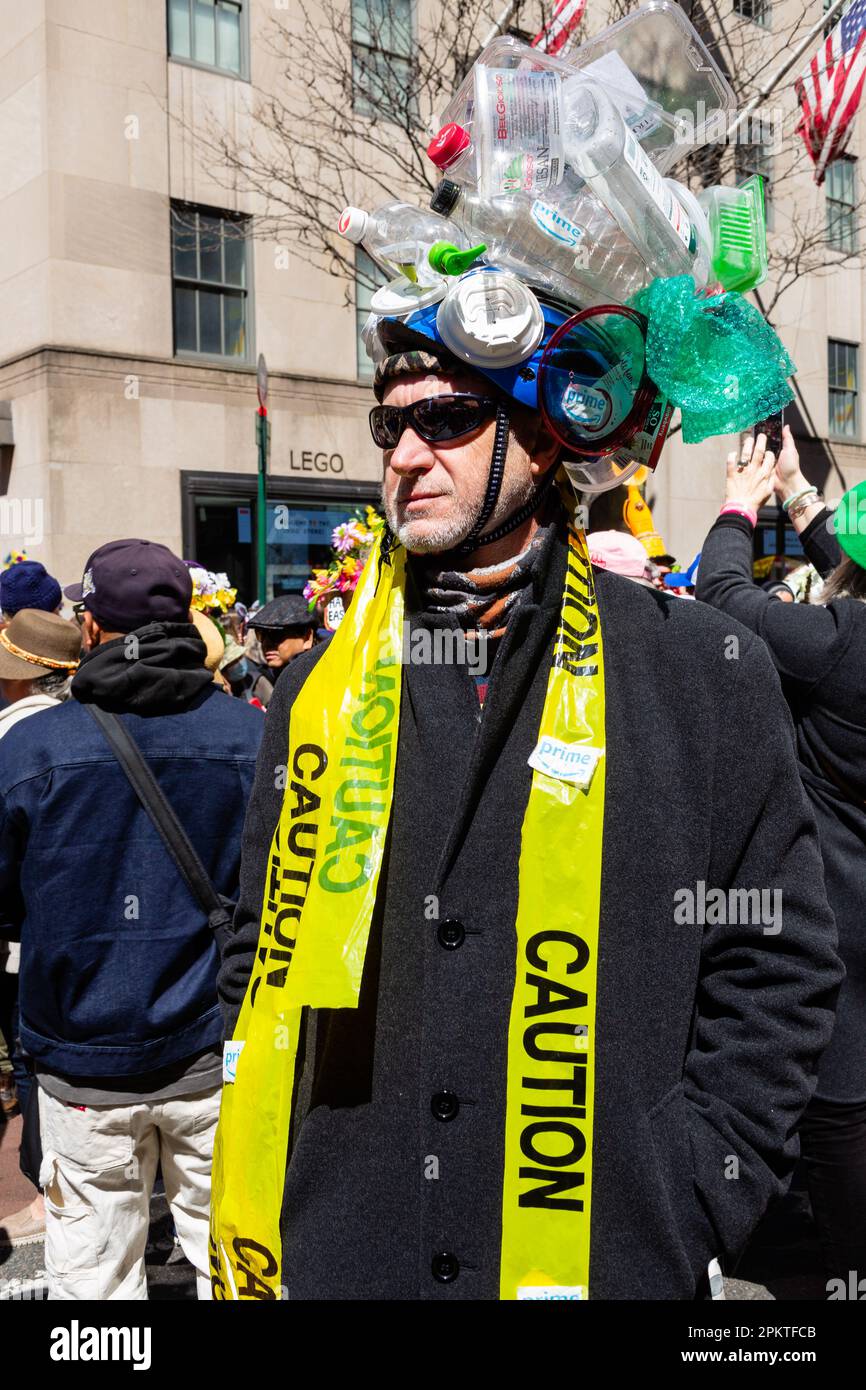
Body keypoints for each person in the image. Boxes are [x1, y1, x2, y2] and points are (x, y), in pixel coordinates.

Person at [212, 299, 843, 1302]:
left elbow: (775, 964)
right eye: (390, 424)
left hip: (607, 1255)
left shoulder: (701, 672)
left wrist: (687, 1190)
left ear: (550, 431)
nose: (406, 454)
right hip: (352, 1255)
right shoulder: (313, 695)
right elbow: (255, 947)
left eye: (449, 418)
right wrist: (297, 1168)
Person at [0, 539, 264, 1299]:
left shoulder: (36, 749)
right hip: (217, 1051)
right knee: (236, 1267)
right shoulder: (252, 737)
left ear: (89, 628)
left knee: (94, 1286)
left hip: (83, 1058)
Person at [696, 425, 866, 1288]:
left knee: (837, 1113)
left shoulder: (842, 647)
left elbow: (722, 594)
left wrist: (738, 505)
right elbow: (854, 562)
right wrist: (802, 497)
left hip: (839, 933)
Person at [0, 609, 80, 1248]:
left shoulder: (18, 742)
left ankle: (48, 1193)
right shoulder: (87, 723)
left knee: (32, 1068)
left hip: (26, 944)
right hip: (76, 938)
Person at [247, 594, 316, 679]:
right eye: (261, 635)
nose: (266, 644)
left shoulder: (319, 678)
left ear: (307, 638)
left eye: (276, 634)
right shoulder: (266, 678)